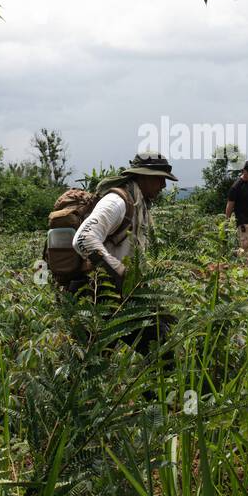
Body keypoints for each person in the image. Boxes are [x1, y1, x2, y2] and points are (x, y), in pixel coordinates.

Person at [71, 151, 178, 352]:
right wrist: (120, 271)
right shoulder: (117, 202)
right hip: (97, 293)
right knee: (89, 365)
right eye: (160, 179)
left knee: (162, 350)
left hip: (122, 294)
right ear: (144, 177)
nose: (163, 186)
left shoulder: (139, 203)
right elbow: (83, 239)